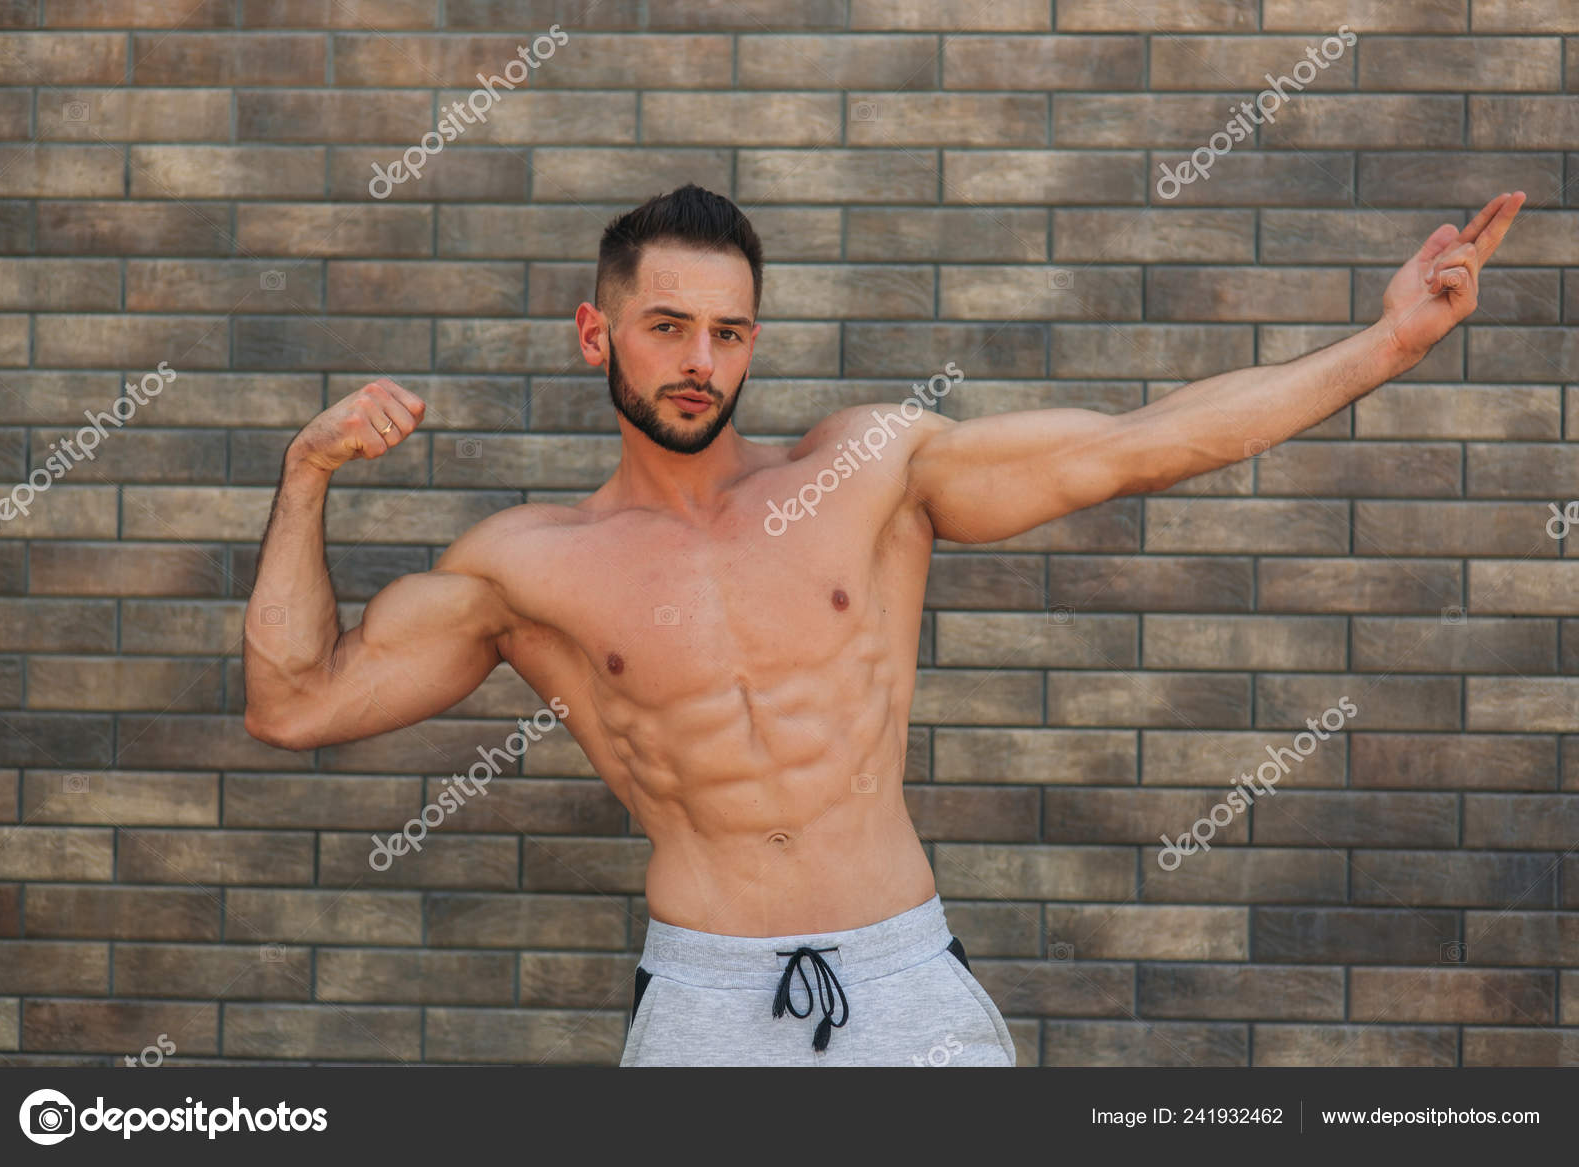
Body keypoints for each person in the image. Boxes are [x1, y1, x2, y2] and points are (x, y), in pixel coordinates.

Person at [242, 183, 1524, 1066]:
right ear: (598, 335)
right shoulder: (526, 566)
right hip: (706, 1001)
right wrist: (307, 475)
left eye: (730, 332)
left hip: (906, 982)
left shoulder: (866, 471)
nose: (701, 358)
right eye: (668, 326)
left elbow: (1136, 448)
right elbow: (296, 700)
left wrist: (1386, 345)